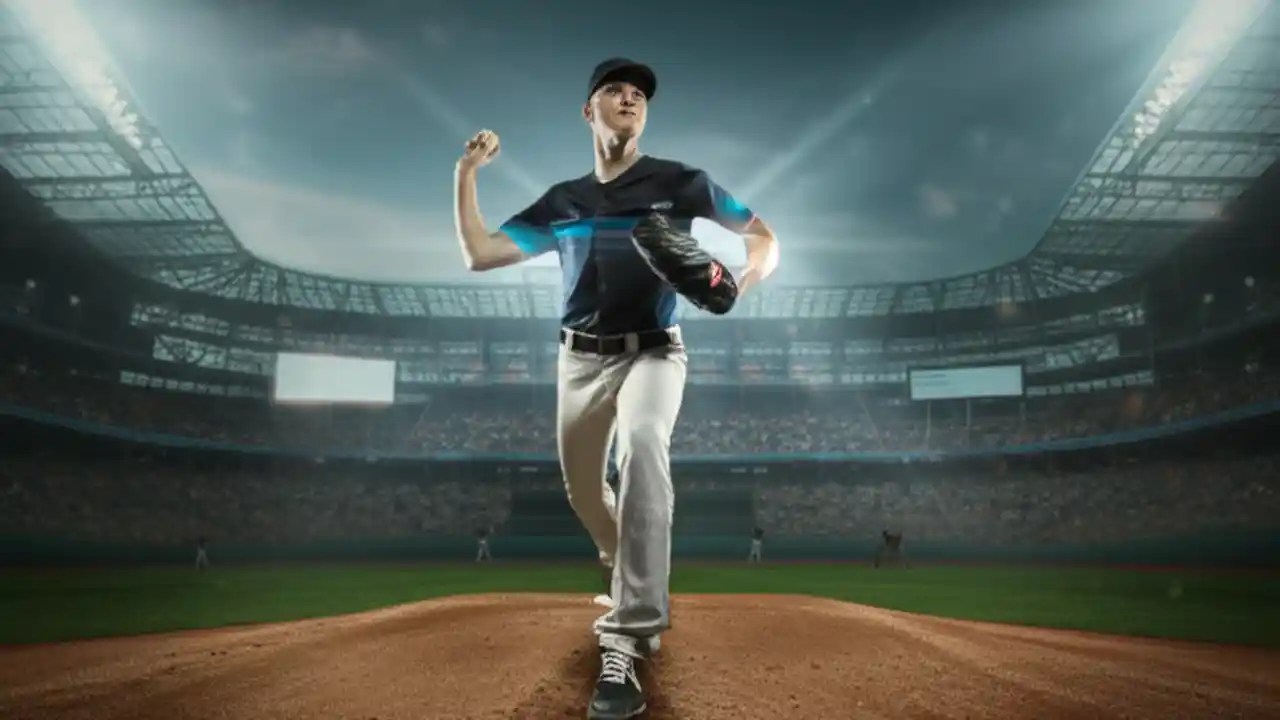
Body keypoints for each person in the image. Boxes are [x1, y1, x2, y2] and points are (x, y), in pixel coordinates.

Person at [452, 57, 780, 720]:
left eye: (638, 94)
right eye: (613, 91)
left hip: (654, 354)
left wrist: (741, 282)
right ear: (588, 112)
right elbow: (479, 254)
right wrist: (464, 175)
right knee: (581, 490)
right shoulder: (563, 202)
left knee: (643, 446)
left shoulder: (681, 183)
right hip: (577, 362)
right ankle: (617, 555)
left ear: (646, 113)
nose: (628, 98)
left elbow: (762, 236)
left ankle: (628, 636)